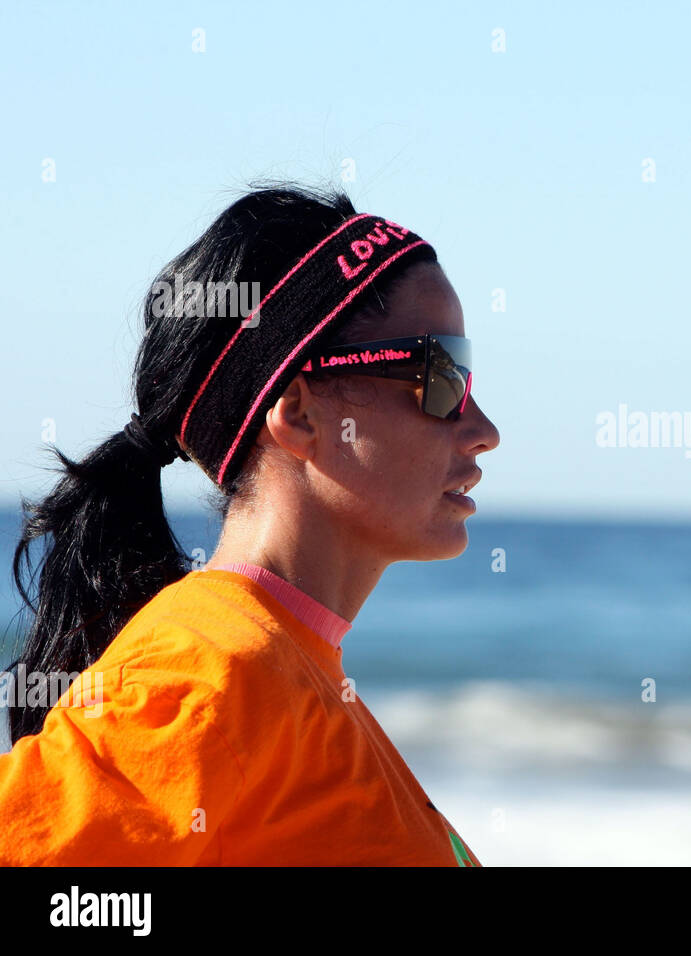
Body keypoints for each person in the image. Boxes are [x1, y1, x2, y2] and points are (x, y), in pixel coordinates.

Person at [0, 184, 500, 865]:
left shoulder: (286, 666)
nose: (483, 430)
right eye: (439, 375)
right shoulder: (216, 671)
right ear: (297, 412)